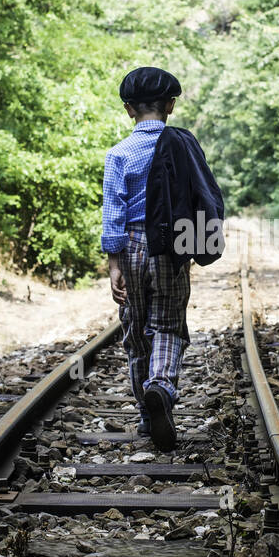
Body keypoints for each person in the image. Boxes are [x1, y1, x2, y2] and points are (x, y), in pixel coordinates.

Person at [100, 67, 222, 451]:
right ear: (170, 105)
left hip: (132, 247)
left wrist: (114, 263)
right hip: (171, 248)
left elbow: (113, 213)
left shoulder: (118, 154)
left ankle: (144, 413)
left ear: (128, 110)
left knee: (136, 333)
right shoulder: (182, 146)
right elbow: (200, 195)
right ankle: (161, 387)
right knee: (167, 325)